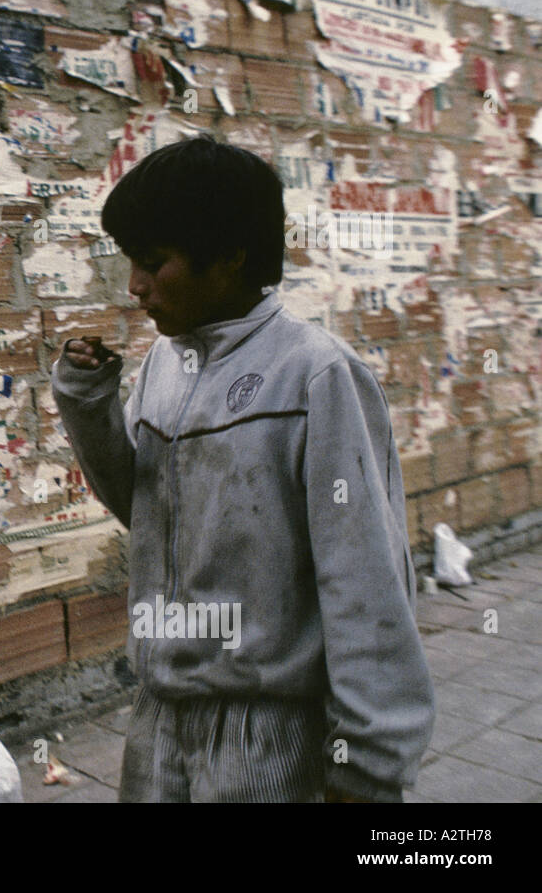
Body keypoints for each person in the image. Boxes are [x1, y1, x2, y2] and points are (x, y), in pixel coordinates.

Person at [52, 135, 435, 802]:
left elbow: (364, 577)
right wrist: (90, 405)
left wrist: (368, 761)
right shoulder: (166, 365)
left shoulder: (316, 376)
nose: (135, 286)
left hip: (269, 732)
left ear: (229, 257)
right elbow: (146, 512)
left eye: (152, 263)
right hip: (163, 718)